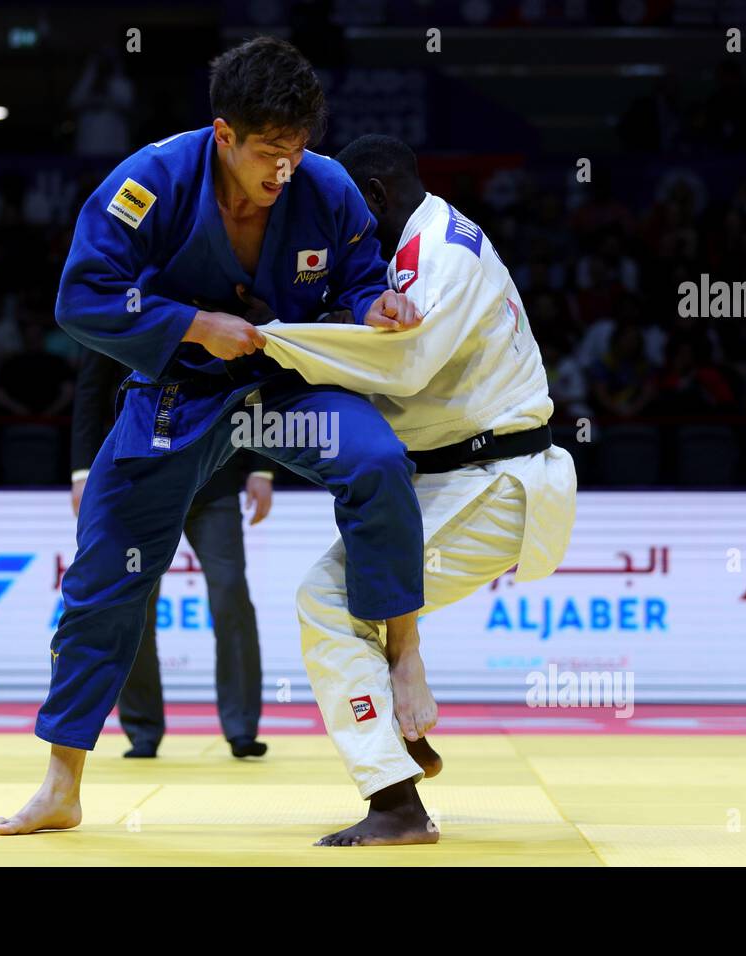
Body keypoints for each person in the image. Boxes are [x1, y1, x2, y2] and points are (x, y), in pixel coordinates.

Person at [0, 37, 425, 837]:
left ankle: (404, 660)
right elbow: (82, 299)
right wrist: (191, 325)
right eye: (268, 151)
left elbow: (363, 276)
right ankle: (62, 781)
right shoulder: (149, 183)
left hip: (284, 386)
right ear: (223, 134)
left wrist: (374, 308)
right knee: (104, 568)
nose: (284, 168)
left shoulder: (327, 188)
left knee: (378, 460)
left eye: (297, 150)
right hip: (177, 399)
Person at [258, 135, 578, 846]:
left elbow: (403, 367)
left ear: (371, 195)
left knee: (329, 600)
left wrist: (271, 338)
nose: (341, 228)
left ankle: (395, 800)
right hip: (456, 476)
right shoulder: (417, 248)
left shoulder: (441, 251)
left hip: (495, 480)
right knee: (359, 590)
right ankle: (406, 734)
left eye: (347, 209)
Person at [71, 348, 273, 758]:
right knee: (135, 602)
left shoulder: (220, 298)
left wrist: (261, 467)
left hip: (214, 482)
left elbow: (252, 383)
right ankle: (143, 730)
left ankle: (240, 728)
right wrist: (81, 472)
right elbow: (91, 391)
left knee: (230, 591)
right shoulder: (131, 305)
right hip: (139, 479)